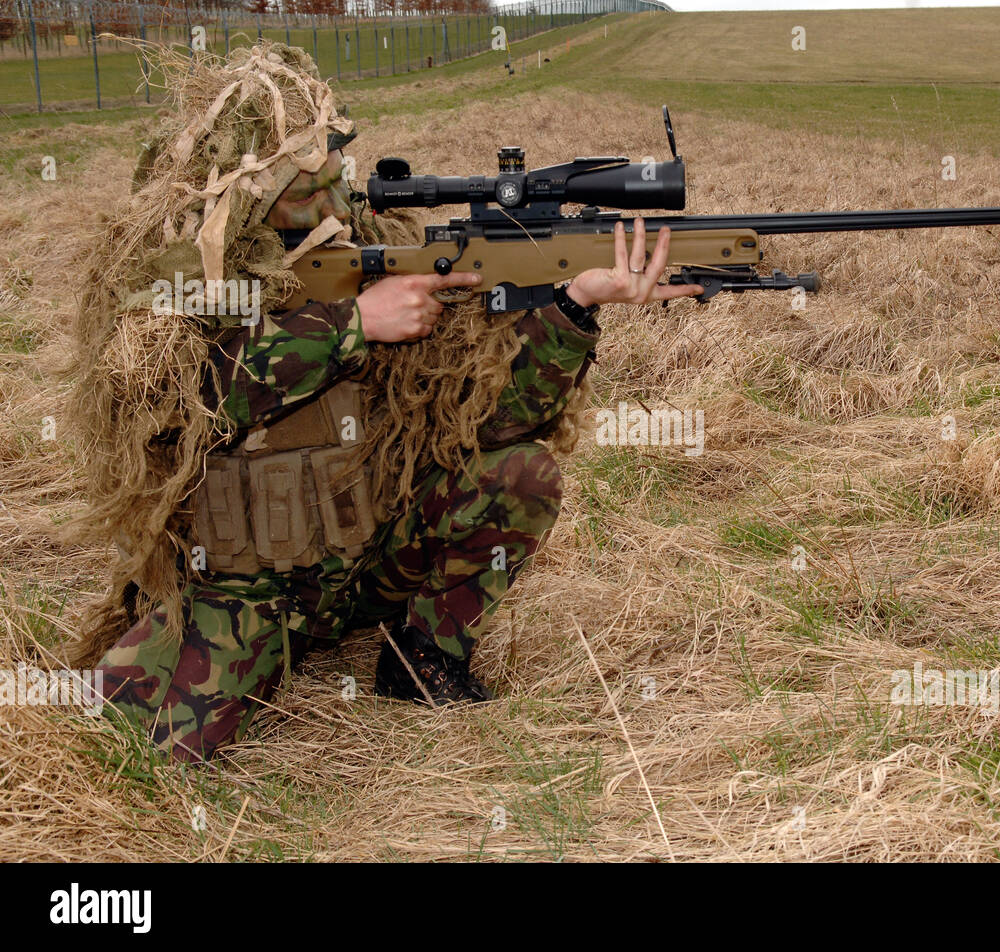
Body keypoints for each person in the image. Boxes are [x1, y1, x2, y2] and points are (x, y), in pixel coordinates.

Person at [80, 43, 702, 763]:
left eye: (333, 180)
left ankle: (419, 660)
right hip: (243, 594)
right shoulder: (181, 276)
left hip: (361, 560)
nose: (336, 206)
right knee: (125, 749)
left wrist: (575, 305)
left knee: (522, 474)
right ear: (248, 191)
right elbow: (178, 406)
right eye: (304, 190)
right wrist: (354, 326)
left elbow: (490, 420)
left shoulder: (372, 247)